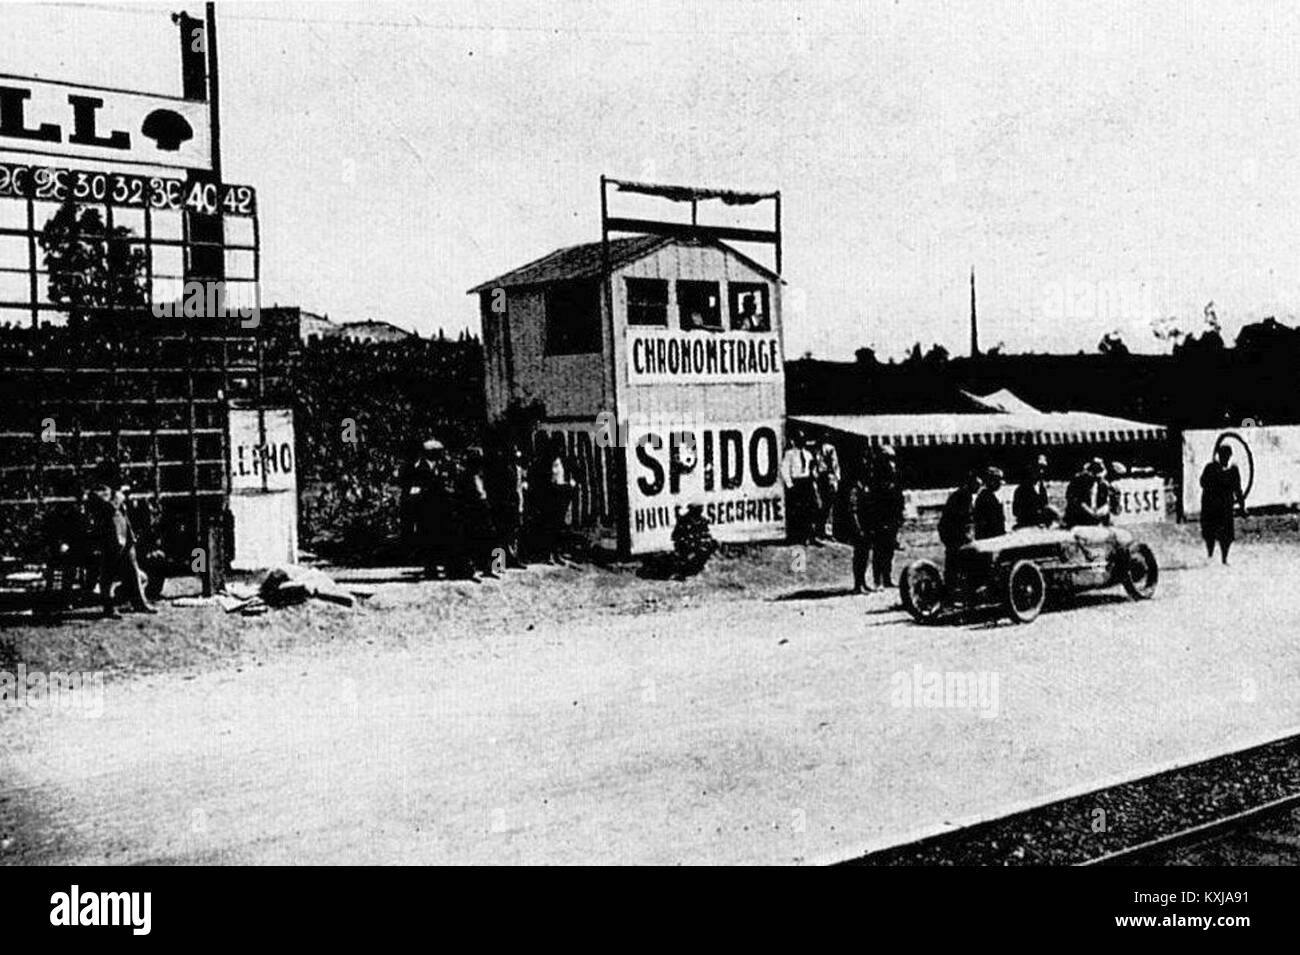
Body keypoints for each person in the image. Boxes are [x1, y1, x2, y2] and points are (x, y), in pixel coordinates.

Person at [85, 473, 156, 618]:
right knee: (108, 573)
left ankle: (139, 602)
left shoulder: (114, 492)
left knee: (133, 569)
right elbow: (108, 509)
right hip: (109, 538)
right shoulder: (96, 494)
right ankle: (109, 607)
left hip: (125, 535)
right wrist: (118, 497)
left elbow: (123, 515)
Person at [864, 447, 905, 588]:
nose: (890, 463)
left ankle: (887, 577)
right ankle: (877, 579)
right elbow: (873, 502)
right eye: (887, 459)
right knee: (879, 550)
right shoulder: (875, 480)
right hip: (880, 518)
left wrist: (900, 515)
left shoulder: (895, 479)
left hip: (892, 517)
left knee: (889, 550)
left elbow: (900, 498)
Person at [1200, 444, 1246, 564]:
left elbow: (1238, 489)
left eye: (1226, 455)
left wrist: (1242, 506)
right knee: (1210, 532)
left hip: (1225, 506)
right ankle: (1210, 554)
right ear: (1218, 456)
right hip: (1211, 505)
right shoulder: (1210, 468)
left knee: (1226, 534)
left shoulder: (1233, 470)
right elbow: (1203, 482)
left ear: (1229, 456)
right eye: (1222, 455)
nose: (1224, 457)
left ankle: (1224, 558)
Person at [780, 434, 818, 545]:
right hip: (796, 483)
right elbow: (784, 469)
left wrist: (814, 478)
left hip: (806, 483)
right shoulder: (790, 454)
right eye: (799, 439)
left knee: (808, 511)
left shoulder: (808, 454)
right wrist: (790, 485)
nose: (801, 442)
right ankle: (795, 537)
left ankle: (808, 536)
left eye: (803, 439)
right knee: (796, 511)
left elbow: (812, 469)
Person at [938, 469, 982, 565]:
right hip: (954, 535)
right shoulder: (963, 497)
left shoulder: (963, 495)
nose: (979, 486)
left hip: (952, 534)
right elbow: (962, 519)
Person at [845, 453, 874, 593]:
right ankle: (858, 584)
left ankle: (863, 582)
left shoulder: (866, 487)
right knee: (860, 555)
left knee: (865, 554)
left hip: (867, 524)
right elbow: (853, 510)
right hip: (859, 526)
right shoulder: (855, 489)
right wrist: (858, 528)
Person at [671, 504, 718, 578]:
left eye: (700, 509)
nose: (699, 511)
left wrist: (705, 540)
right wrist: (686, 540)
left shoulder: (702, 520)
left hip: (697, 545)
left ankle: (699, 567)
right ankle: (682, 570)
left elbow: (706, 534)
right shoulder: (684, 520)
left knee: (711, 544)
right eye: (697, 509)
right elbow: (675, 536)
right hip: (686, 546)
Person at [1064, 458, 1112, 527]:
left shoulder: (1103, 485)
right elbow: (1073, 500)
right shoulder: (1077, 482)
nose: (1096, 476)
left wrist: (1103, 510)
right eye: (1093, 472)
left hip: (1097, 518)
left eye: (1098, 473)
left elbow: (1107, 502)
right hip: (1079, 518)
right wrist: (1088, 510)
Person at [1012, 454, 1057, 528]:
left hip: (1040, 526)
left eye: (1043, 468)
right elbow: (1016, 512)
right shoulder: (1021, 490)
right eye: (1038, 468)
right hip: (1026, 526)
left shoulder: (1041, 489)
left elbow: (1044, 505)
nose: (1041, 472)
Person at [813, 440, 841, 542]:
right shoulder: (816, 449)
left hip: (829, 477)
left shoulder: (829, 448)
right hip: (821, 477)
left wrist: (835, 479)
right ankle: (819, 530)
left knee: (829, 506)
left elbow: (834, 464)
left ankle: (828, 531)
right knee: (821, 505)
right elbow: (815, 464)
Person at [973, 466, 1007, 540]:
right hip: (989, 537)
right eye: (998, 481)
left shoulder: (986, 496)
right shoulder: (986, 497)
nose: (1000, 484)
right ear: (992, 481)